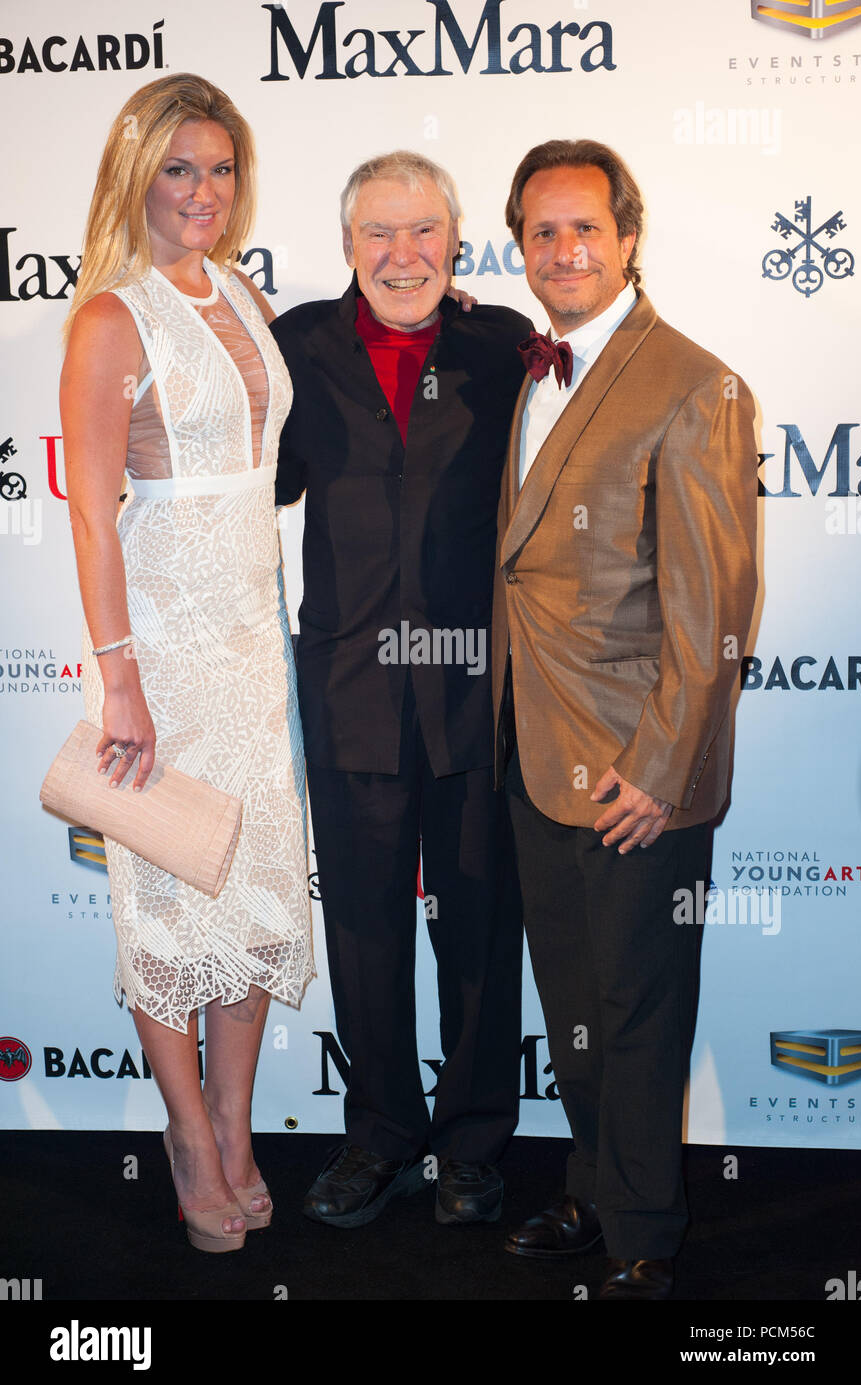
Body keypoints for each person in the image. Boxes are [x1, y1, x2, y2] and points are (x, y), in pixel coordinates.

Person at [493, 139, 758, 1298]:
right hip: (533, 745)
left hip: (633, 764)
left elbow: (716, 604)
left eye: (583, 229)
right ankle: (593, 1189)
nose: (562, 251)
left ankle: (644, 1232)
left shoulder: (694, 383)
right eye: (541, 233)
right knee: (573, 998)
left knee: (638, 1005)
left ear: (629, 238)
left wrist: (661, 766)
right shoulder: (528, 372)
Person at [60, 73, 313, 1253]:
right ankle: (189, 1138)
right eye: (178, 169)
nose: (202, 191)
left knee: (252, 887)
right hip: (158, 653)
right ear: (137, 177)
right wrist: (121, 678)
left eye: (217, 168)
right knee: (165, 896)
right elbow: (95, 514)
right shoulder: (112, 317)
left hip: (253, 646)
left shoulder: (242, 291)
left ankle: (235, 1121)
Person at [271, 152, 531, 1227]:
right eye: (378, 233)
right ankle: (380, 1131)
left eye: (423, 231)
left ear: (456, 243)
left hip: (476, 688)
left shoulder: (505, 345)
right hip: (351, 686)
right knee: (366, 931)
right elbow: (249, 482)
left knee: (477, 923)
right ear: (345, 247)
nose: (402, 254)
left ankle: (473, 1140)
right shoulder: (293, 346)